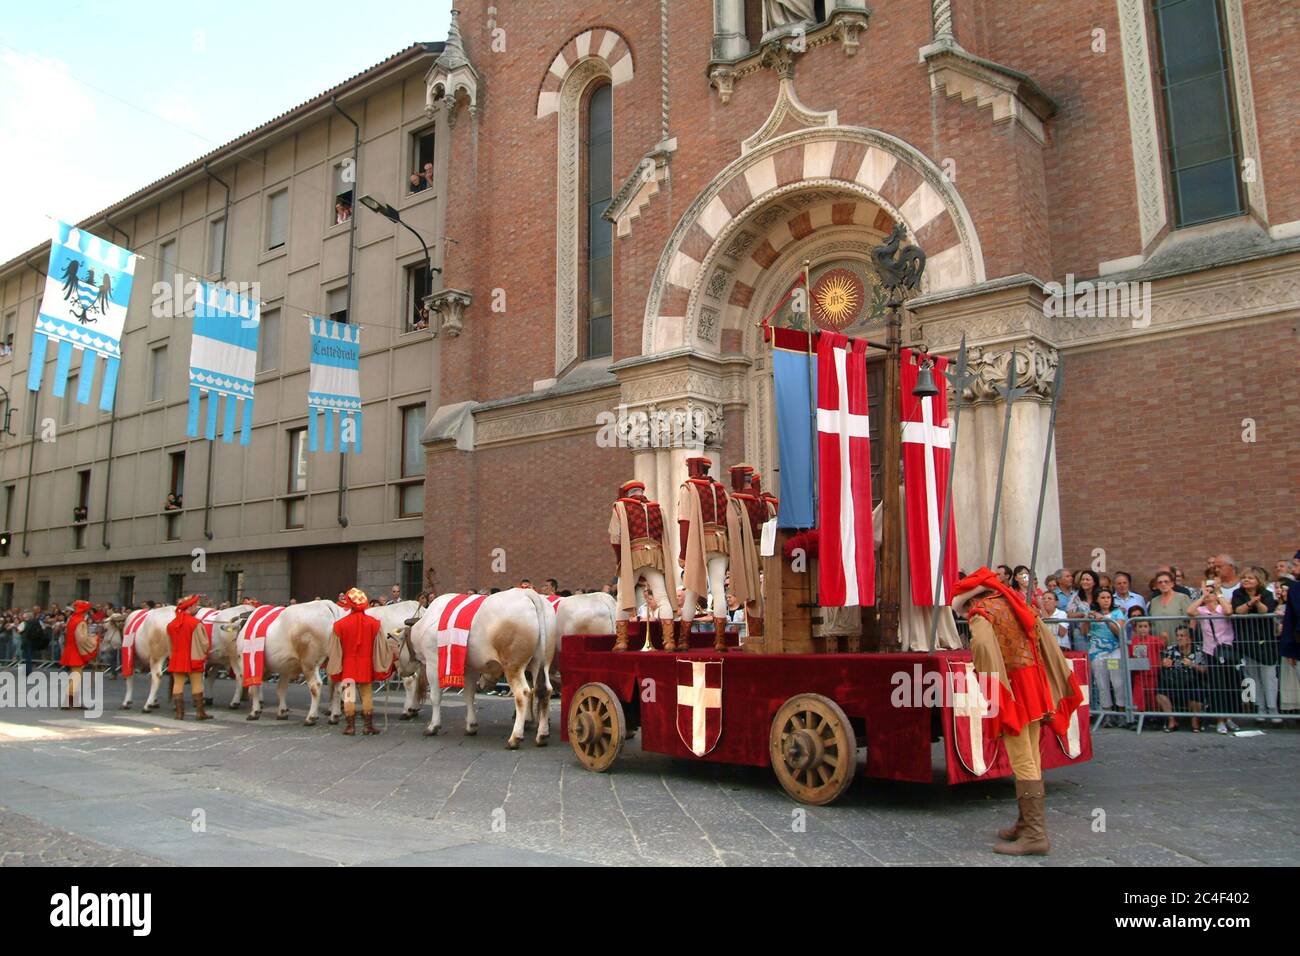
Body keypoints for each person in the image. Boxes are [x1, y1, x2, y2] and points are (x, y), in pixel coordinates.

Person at [950, 568, 1083, 856]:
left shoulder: (981, 613)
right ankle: (1026, 824)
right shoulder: (1014, 603)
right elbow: (1044, 638)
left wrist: (992, 684)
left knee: (1022, 758)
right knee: (1032, 754)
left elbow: (984, 647)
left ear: (971, 601)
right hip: (1034, 683)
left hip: (1013, 688)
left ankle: (1035, 834)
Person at [610, 479, 676, 651]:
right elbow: (664, 534)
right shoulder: (658, 508)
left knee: (623, 598)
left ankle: (622, 641)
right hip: (655, 555)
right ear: (641, 491)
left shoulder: (621, 507)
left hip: (632, 555)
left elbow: (615, 538)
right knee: (662, 598)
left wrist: (620, 560)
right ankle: (669, 641)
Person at [678, 456, 730, 652]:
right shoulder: (721, 490)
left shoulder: (688, 487)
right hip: (720, 541)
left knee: (691, 591)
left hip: (698, 543)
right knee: (718, 589)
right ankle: (720, 640)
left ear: (691, 469)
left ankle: (684, 640)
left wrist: (683, 553)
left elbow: (685, 522)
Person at [325, 588, 394, 735]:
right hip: (366, 664)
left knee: (349, 694)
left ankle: (350, 726)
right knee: (366, 694)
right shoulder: (374, 623)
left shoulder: (339, 625)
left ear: (349, 603)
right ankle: (368, 726)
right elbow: (380, 646)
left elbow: (334, 649)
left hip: (348, 664)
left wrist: (334, 665)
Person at [1189, 579, 1239, 734]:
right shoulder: (1202, 610)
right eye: (1208, 591)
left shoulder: (1222, 606)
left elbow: (1229, 611)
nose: (1210, 594)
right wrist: (1202, 596)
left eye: (1212, 592)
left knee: (1231, 685)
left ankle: (1229, 717)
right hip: (1211, 651)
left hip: (1227, 650)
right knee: (1217, 687)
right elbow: (1190, 611)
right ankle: (1219, 719)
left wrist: (1219, 592)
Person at [1231, 566, 1280, 725]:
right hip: (1247, 641)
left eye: (1250, 578)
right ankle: (1261, 708)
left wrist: (1257, 603)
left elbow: (1266, 611)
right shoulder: (1238, 594)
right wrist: (1251, 602)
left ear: (1258, 581)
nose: (1246, 580)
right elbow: (1239, 611)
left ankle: (1273, 708)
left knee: (1269, 676)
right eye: (1244, 578)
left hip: (1265, 641)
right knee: (1253, 677)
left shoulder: (1267, 594)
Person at [1086, 587, 1128, 726]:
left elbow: (1119, 631)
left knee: (1117, 682)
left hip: (1114, 651)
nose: (1106, 600)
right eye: (1103, 598)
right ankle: (1107, 714)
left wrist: (1105, 619)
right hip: (1096, 652)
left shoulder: (1117, 613)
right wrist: (1087, 619)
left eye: (1108, 598)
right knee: (1101, 683)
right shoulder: (1092, 613)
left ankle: (1122, 712)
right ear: (1097, 599)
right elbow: (1084, 631)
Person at [1156, 625, 1209, 732]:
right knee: (1160, 693)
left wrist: (1193, 664)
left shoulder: (1198, 650)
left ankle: (1195, 722)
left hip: (1192, 681)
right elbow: (1160, 662)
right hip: (1173, 681)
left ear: (1190, 638)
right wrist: (1164, 663)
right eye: (1177, 636)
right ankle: (1172, 721)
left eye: (1182, 636)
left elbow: (1205, 669)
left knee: (1198, 692)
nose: (1179, 638)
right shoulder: (1171, 649)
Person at [167, 595, 211, 720]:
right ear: (190, 607)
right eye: (195, 606)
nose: (196, 608)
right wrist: (204, 654)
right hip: (193, 657)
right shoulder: (195, 623)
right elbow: (204, 643)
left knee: (178, 684)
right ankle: (200, 712)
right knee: (197, 684)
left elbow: (169, 643)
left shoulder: (171, 624)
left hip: (177, 657)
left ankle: (179, 713)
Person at [57, 600, 99, 710]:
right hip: (76, 651)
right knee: (76, 677)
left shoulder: (72, 620)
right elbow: (82, 639)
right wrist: (94, 640)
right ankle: (68, 701)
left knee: (75, 676)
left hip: (71, 649)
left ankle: (74, 701)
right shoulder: (81, 621)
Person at [1127, 614, 1164, 715]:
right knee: (1139, 697)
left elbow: (1163, 647)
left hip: (1153, 674)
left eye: (1145, 626)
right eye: (1140, 626)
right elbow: (1132, 657)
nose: (1143, 629)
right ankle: (1139, 715)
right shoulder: (1133, 641)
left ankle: (1154, 716)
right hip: (1139, 675)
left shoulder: (1155, 640)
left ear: (1149, 627)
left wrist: (1164, 638)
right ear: (1135, 628)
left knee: (1152, 697)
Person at [1147, 570, 1193, 645]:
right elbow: (1152, 624)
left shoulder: (1182, 598)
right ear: (1157, 585)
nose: (1163, 584)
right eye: (1160, 582)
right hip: (1160, 644)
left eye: (1166, 581)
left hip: (1179, 643)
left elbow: (1192, 620)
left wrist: (1189, 638)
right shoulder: (1154, 601)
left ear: (1172, 583)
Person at [1065, 570, 1101, 652]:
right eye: (1083, 579)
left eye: (1087, 580)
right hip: (1081, 632)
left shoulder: (1101, 595)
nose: (1084, 582)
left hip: (1097, 630)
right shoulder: (1076, 597)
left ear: (1094, 582)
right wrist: (1084, 614)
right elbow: (1069, 614)